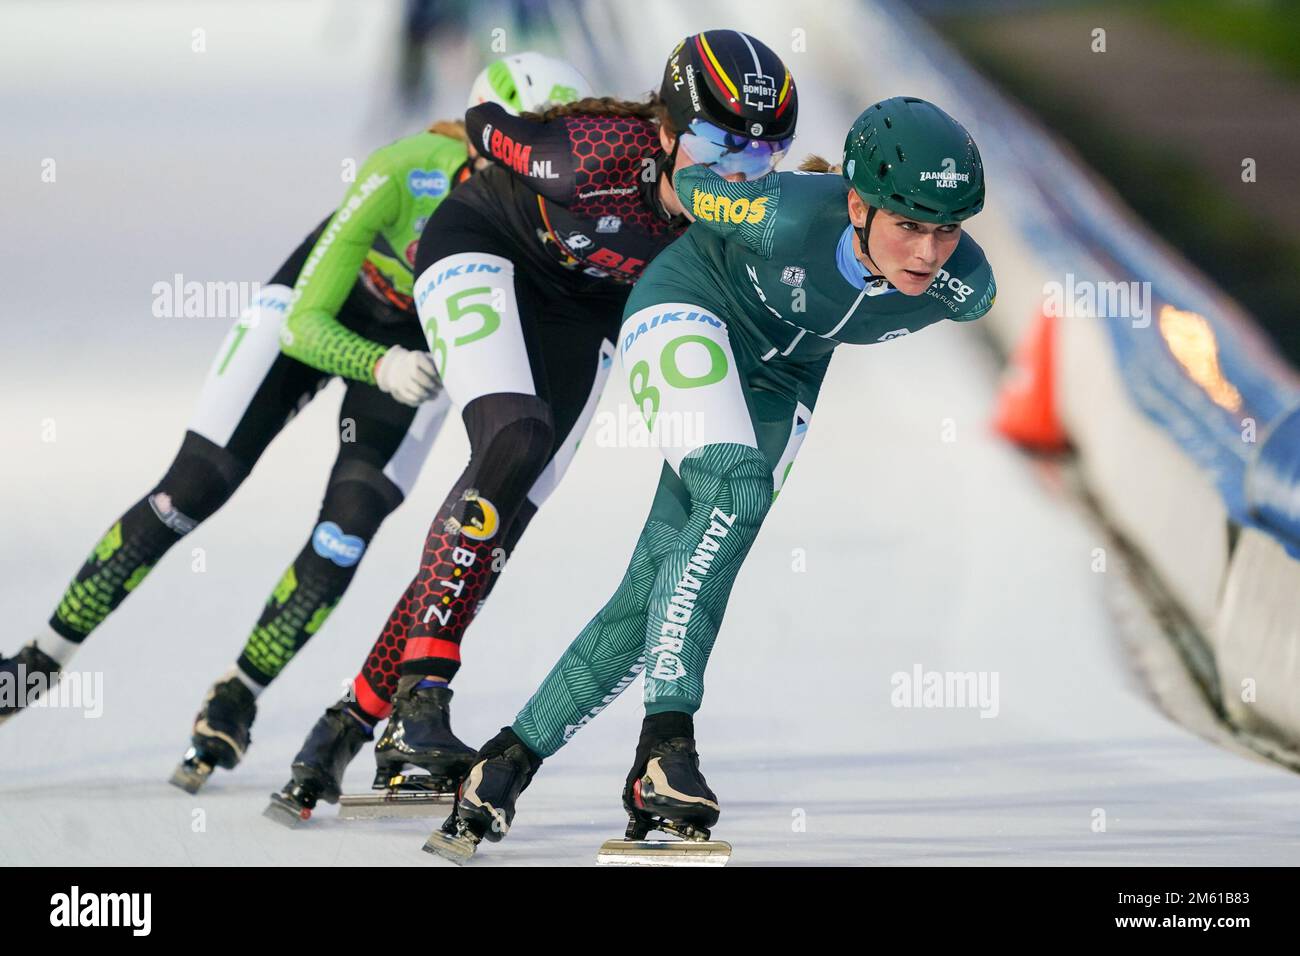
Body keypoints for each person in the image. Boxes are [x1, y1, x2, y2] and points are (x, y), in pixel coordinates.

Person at [430, 96, 997, 860]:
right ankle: (666, 749)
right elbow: (692, 185)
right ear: (857, 205)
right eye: (909, 225)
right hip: (690, 311)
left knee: (659, 585)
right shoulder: (784, 215)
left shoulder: (969, 287)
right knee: (736, 490)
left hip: (779, 381)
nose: (929, 253)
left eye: (946, 228)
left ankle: (504, 764)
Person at [0, 54, 588, 787]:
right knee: (191, 490)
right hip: (312, 317)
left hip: (414, 350)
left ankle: (237, 697)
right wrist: (376, 366)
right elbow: (303, 324)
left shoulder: (548, 216)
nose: (531, 173)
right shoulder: (408, 166)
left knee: (345, 532)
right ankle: (37, 665)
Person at [270, 30, 800, 819]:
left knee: (498, 519)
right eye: (716, 145)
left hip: (581, 304)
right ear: (663, 131)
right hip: (486, 242)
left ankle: (347, 722)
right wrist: (489, 155)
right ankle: (423, 699)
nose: (734, 172)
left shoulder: (743, 208)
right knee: (511, 437)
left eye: (759, 157)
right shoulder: (586, 153)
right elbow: (484, 118)